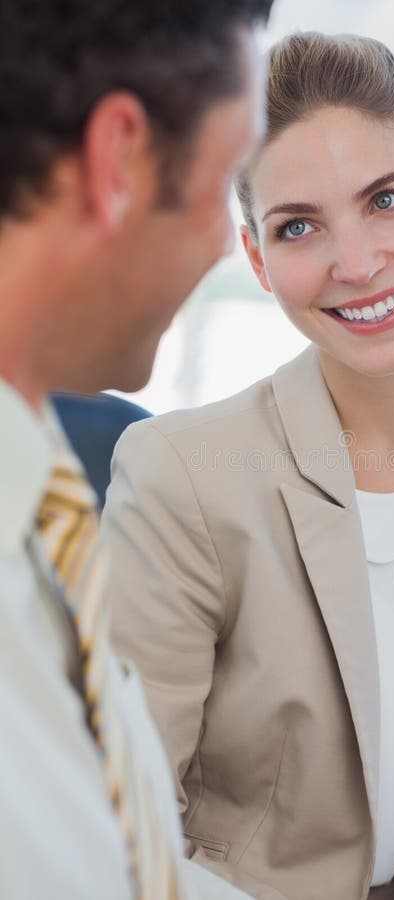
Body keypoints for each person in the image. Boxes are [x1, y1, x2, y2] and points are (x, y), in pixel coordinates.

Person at [104, 32, 394, 900]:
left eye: (389, 199)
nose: (357, 264)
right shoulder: (184, 476)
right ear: (256, 258)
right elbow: (123, 823)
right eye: (298, 227)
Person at [0, 1, 273, 898]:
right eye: (230, 173)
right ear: (119, 158)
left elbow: (127, 865)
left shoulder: (43, 497)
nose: (225, 251)